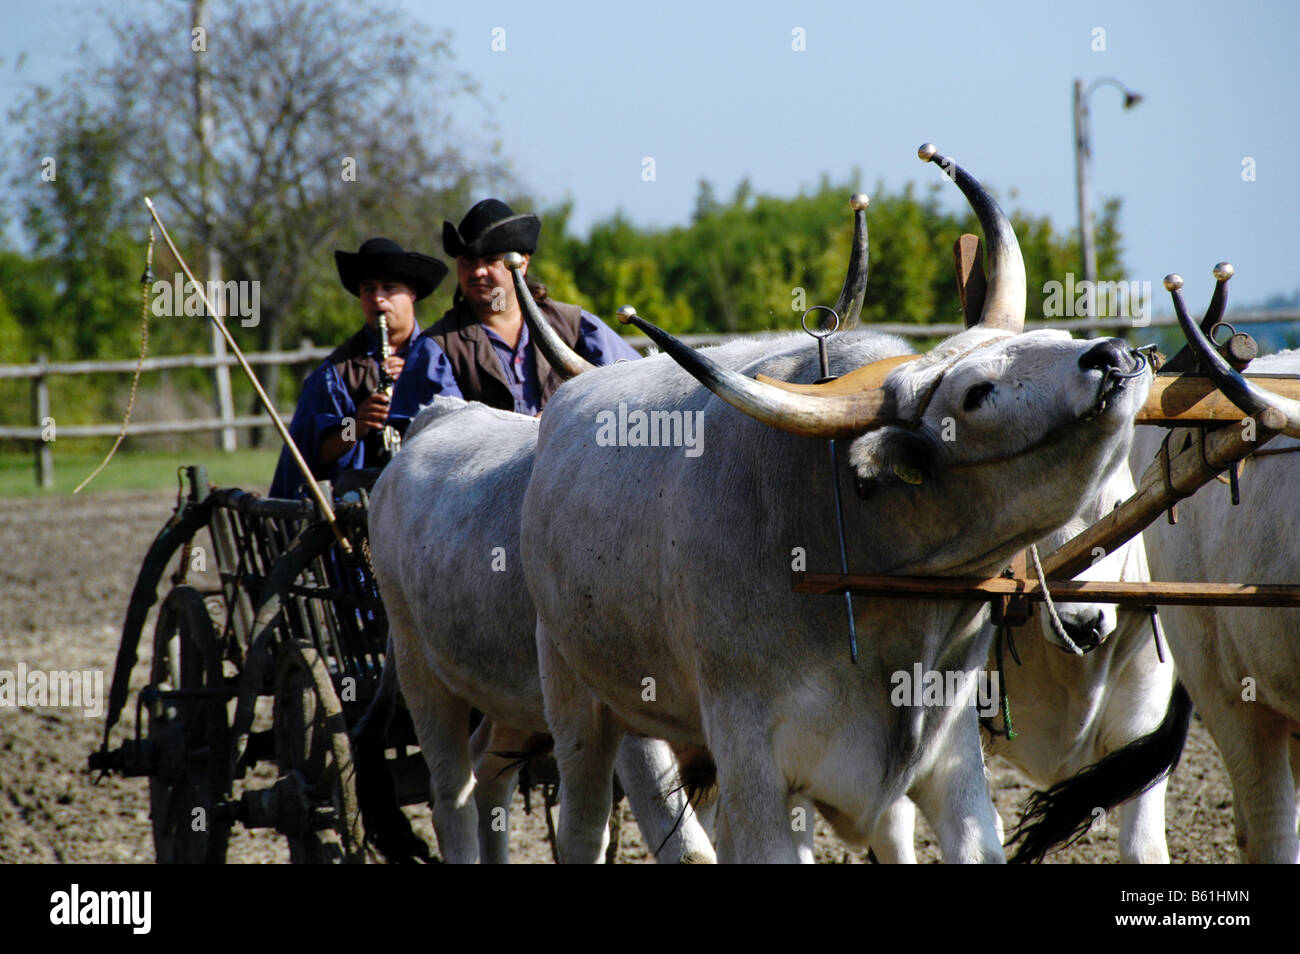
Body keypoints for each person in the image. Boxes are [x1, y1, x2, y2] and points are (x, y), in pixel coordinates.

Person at [388, 199, 639, 425]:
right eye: (467, 261)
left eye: (490, 261)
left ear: (523, 262)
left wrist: (563, 415)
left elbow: (633, 384)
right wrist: (527, 433)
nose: (477, 272)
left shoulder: (576, 326)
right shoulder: (437, 348)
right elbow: (438, 438)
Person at [269, 237, 447, 498]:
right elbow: (313, 456)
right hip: (362, 504)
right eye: (368, 289)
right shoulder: (335, 373)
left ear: (412, 292)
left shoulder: (441, 354)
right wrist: (357, 424)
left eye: (389, 288)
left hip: (433, 494)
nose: (378, 298)